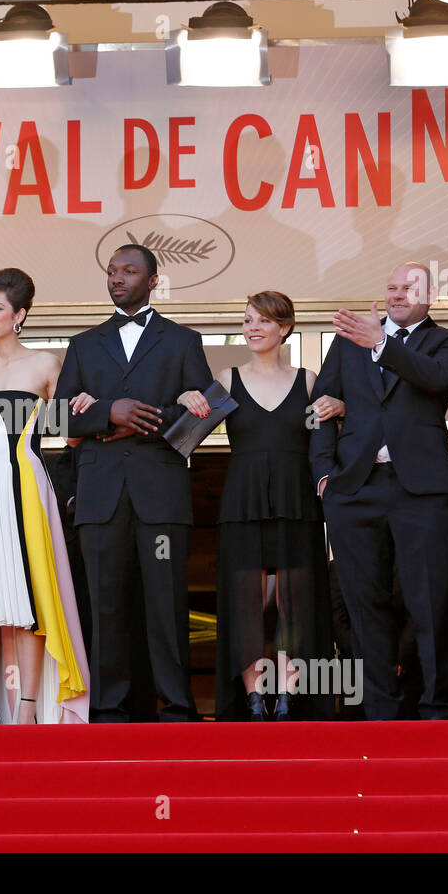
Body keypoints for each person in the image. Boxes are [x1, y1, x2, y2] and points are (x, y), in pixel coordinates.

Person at [53, 243, 212, 722]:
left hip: (160, 495)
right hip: (101, 497)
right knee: (105, 606)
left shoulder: (184, 340)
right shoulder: (83, 343)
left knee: (166, 605)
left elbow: (207, 414)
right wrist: (108, 414)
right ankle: (107, 707)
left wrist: (146, 419)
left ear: (153, 279)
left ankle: (178, 707)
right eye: (112, 270)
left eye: (129, 270)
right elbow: (58, 417)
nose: (118, 277)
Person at [310, 262, 448, 720]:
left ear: (432, 295)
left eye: (409, 288)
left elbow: (437, 378)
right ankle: (380, 711)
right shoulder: (349, 342)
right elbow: (321, 407)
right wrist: (324, 476)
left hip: (421, 491)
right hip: (355, 489)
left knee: (428, 603)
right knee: (365, 605)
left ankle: (436, 708)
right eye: (391, 286)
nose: (398, 294)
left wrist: (379, 342)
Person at [178, 291, 333, 721]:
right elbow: (183, 436)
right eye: (247, 320)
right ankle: (253, 697)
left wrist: (340, 407)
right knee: (246, 602)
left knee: (293, 601)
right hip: (241, 502)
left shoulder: (308, 379)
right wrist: (184, 399)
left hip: (296, 501)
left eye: (263, 321)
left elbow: (331, 437)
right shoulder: (228, 379)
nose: (252, 328)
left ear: (284, 328)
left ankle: (287, 695)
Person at [0, 268, 89, 725]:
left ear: (20, 315)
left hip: (26, 483)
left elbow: (69, 436)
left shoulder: (46, 364)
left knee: (28, 597)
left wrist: (80, 408)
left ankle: (29, 706)